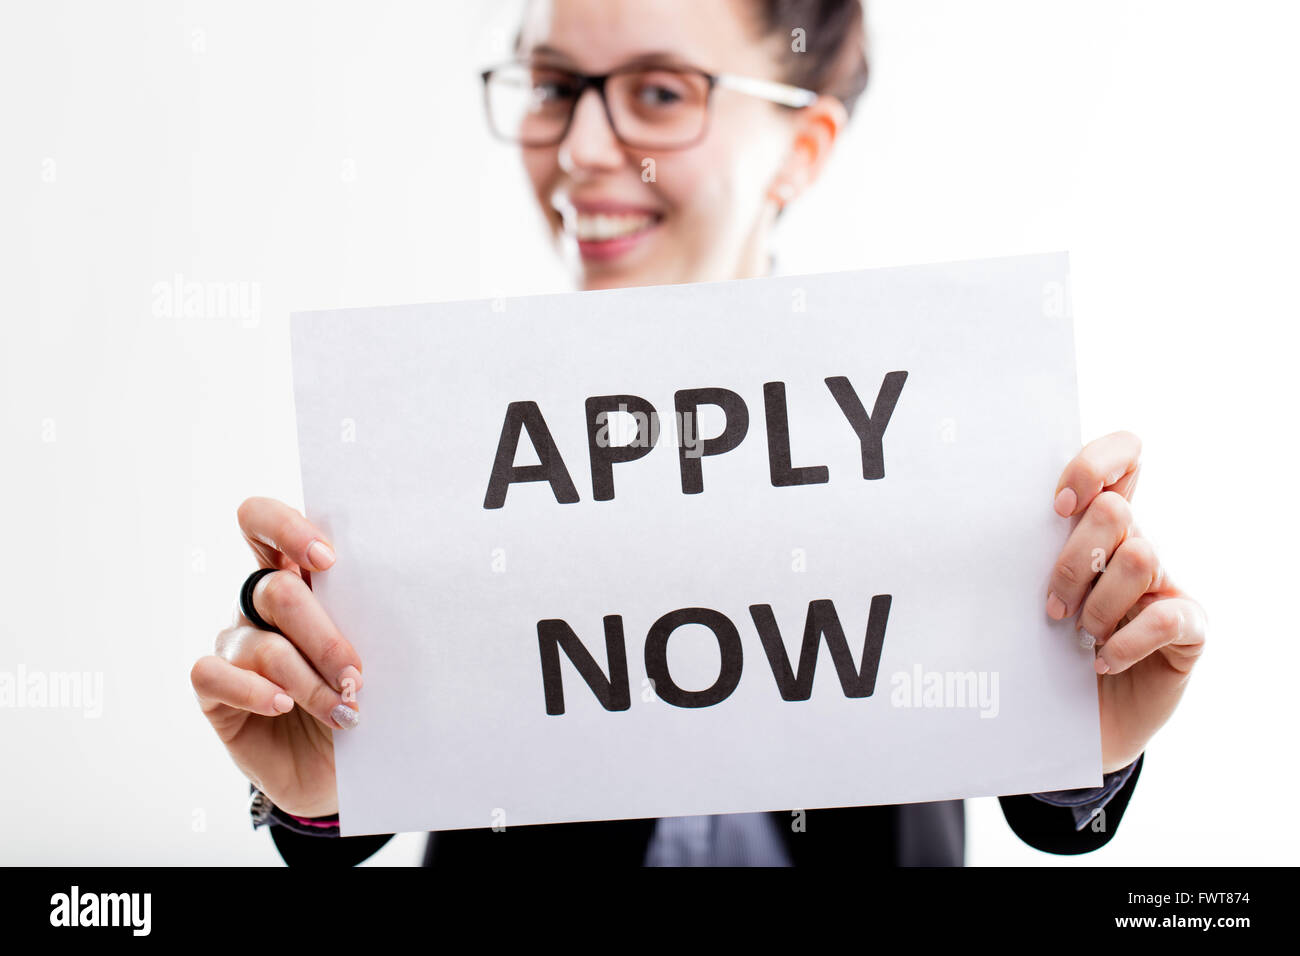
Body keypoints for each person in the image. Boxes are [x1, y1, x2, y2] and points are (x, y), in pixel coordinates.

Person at [190, 0, 1207, 866]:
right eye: (553, 88)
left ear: (800, 151)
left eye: (660, 93)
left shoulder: (934, 432)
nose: (582, 151)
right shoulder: (429, 465)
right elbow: (376, 764)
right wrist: (323, 783)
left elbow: (1024, 763)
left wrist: (1084, 738)